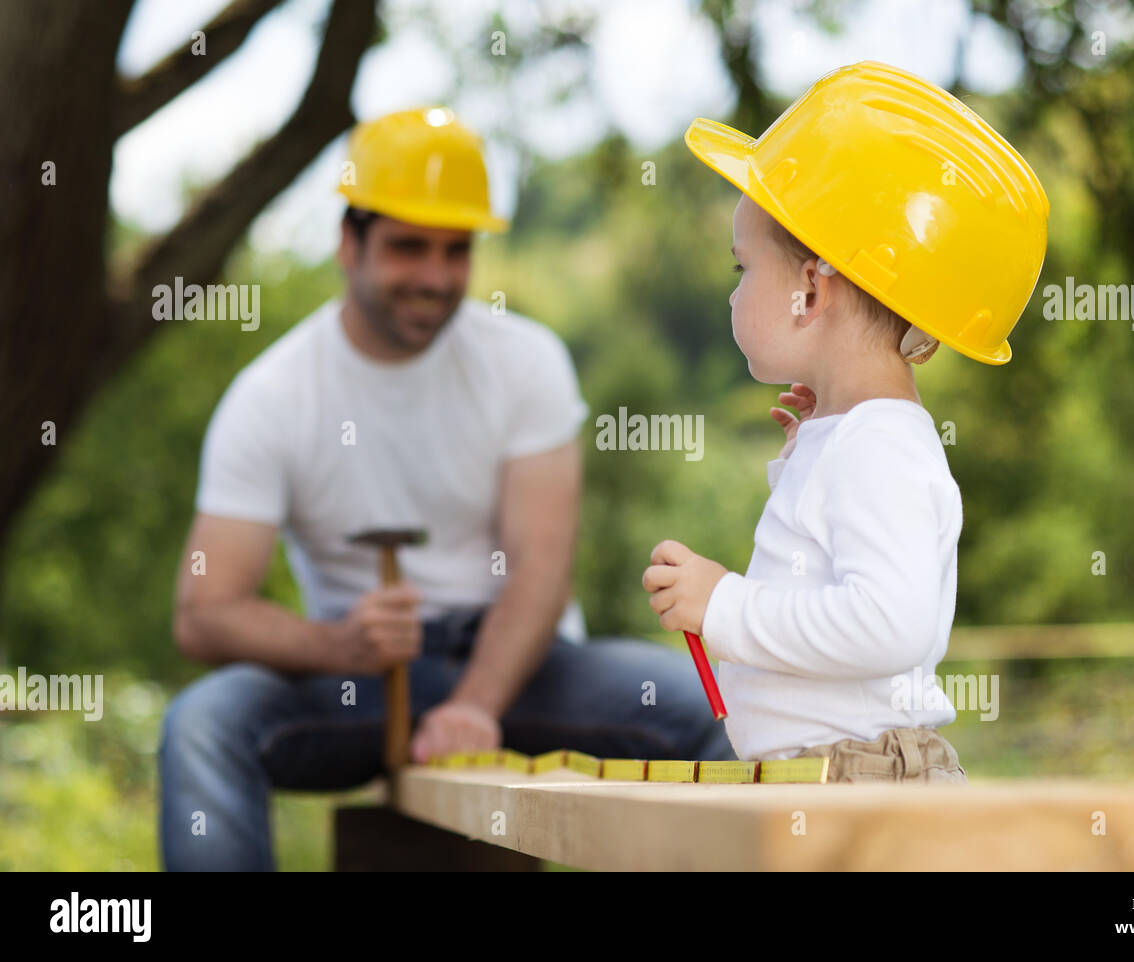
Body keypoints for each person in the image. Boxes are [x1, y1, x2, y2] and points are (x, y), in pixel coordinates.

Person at [159, 107, 734, 871]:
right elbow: (205, 612)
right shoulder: (271, 398)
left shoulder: (526, 363)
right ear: (348, 242)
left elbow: (540, 566)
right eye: (407, 248)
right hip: (357, 680)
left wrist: (475, 704)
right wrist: (338, 643)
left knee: (719, 714)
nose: (434, 277)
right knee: (203, 725)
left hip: (526, 669)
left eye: (455, 251)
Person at [641, 62, 1048, 784]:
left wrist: (725, 604)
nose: (734, 295)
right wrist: (810, 449)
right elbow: (822, 565)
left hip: (861, 787)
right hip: (832, 778)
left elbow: (888, 626)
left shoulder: (879, 447)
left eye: (743, 268)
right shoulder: (863, 439)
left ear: (808, 289)